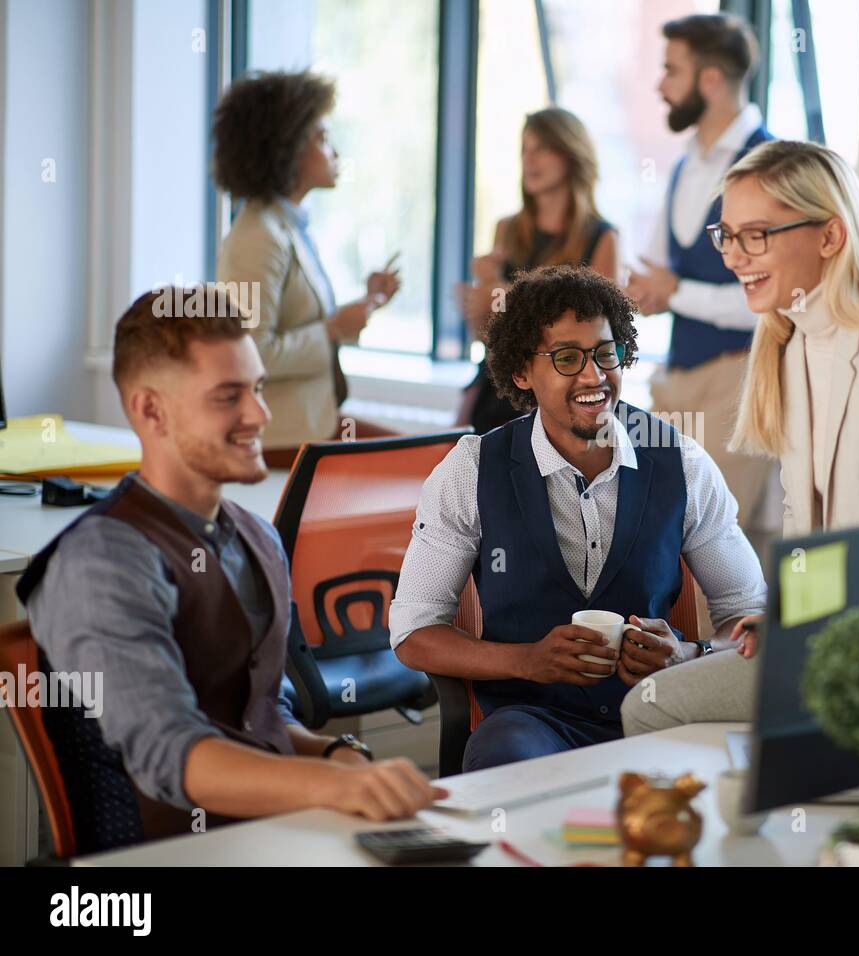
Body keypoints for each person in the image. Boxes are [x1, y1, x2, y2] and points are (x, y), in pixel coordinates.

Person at [18, 287, 442, 854]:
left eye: (259, 389)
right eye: (228, 396)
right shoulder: (100, 564)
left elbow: (260, 716)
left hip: (270, 840)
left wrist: (340, 757)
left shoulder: (257, 535)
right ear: (150, 410)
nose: (260, 415)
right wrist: (334, 787)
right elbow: (175, 754)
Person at [621, 140, 859, 735]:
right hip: (825, 642)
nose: (735, 257)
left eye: (758, 235)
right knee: (649, 703)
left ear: (830, 236)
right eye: (729, 235)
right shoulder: (790, 347)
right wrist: (787, 618)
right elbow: (808, 530)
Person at [390, 266, 766, 771]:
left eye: (605, 354)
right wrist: (525, 661)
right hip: (531, 720)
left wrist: (688, 654)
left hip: (660, 710)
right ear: (523, 372)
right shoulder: (472, 469)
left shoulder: (682, 463)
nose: (593, 376)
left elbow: (750, 618)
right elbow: (414, 633)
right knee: (504, 768)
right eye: (567, 358)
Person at [626, 13, 775, 546]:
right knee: (667, 540)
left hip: (738, 381)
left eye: (671, 71)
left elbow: (769, 297)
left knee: (717, 546)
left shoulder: (767, 165)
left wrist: (675, 292)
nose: (660, 86)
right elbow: (661, 268)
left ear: (710, 79)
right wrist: (641, 292)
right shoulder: (686, 164)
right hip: (678, 380)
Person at [213, 70, 403, 467]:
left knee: (440, 461)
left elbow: (301, 326)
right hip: (282, 438)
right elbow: (250, 355)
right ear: (288, 148)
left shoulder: (287, 227)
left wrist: (368, 303)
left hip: (313, 425)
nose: (333, 151)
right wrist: (333, 329)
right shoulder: (256, 237)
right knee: (435, 463)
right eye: (321, 137)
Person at [454, 108, 618, 435]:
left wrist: (505, 295)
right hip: (498, 395)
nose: (530, 160)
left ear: (571, 153)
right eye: (525, 150)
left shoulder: (603, 238)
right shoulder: (507, 229)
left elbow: (599, 339)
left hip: (561, 398)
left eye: (542, 148)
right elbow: (487, 339)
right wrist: (481, 298)